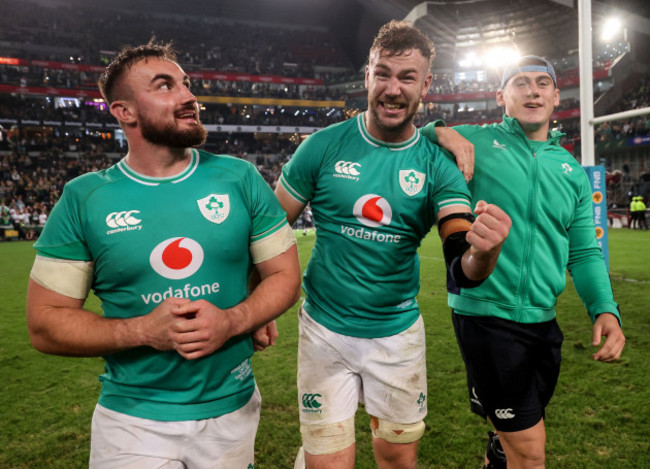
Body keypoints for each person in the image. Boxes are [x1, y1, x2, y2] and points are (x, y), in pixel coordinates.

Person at [25, 39, 301, 469]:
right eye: (165, 85)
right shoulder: (84, 198)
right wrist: (141, 332)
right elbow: (44, 324)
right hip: (132, 421)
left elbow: (284, 275)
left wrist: (235, 319)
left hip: (232, 408)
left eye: (187, 84)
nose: (189, 96)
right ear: (124, 111)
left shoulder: (239, 178)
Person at [275, 20, 511, 469]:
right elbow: (267, 235)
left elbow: (461, 266)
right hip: (324, 330)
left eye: (407, 77)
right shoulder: (322, 147)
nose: (393, 88)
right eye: (383, 73)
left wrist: (483, 253)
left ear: (426, 85)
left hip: (396, 337)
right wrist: (254, 312)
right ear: (367, 76)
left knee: (398, 461)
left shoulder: (438, 166)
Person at [422, 55, 626, 469]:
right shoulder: (475, 142)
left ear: (555, 97)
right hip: (486, 317)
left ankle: (496, 454)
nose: (532, 90)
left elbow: (584, 251)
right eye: (520, 83)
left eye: (541, 83)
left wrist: (604, 308)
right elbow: (411, 137)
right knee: (531, 454)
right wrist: (438, 131)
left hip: (544, 322)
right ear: (501, 97)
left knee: (510, 438)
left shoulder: (570, 171)